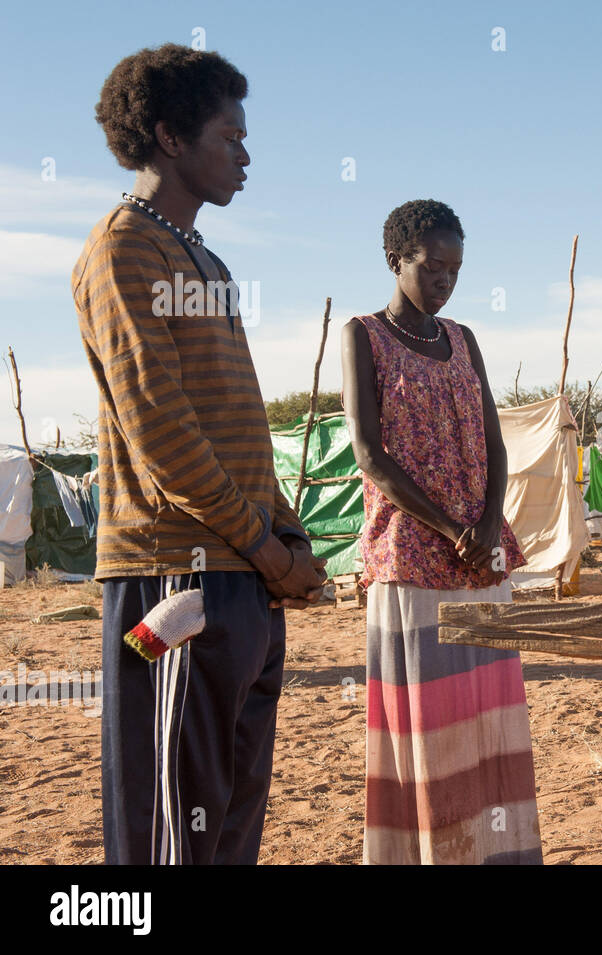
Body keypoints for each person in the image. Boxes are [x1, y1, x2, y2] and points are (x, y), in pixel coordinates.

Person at [73, 44, 328, 865]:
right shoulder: (122, 249)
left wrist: (287, 543)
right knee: (166, 837)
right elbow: (162, 433)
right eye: (231, 136)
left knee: (224, 827)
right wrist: (260, 546)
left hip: (242, 579)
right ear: (170, 137)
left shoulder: (205, 261)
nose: (247, 155)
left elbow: (241, 427)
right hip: (174, 578)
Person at [340, 199, 542, 864]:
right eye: (432, 266)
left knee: (490, 722)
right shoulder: (362, 335)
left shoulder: (463, 338)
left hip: (480, 562)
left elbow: (494, 442)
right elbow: (370, 453)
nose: (445, 279)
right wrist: (452, 527)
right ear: (397, 259)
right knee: (432, 736)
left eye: (456, 268)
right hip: (411, 562)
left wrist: (486, 525)